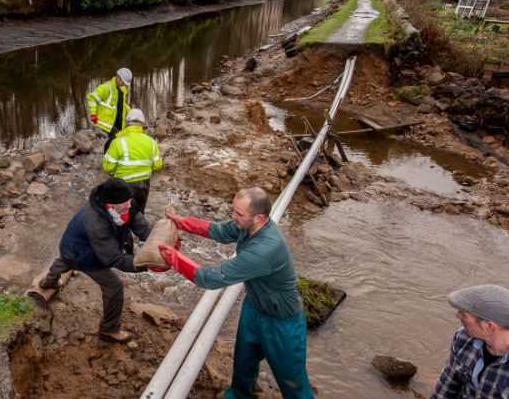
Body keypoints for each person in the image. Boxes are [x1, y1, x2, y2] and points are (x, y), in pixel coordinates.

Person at [156, 187, 315, 399]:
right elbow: (219, 230)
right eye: (233, 210)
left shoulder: (263, 250)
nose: (233, 216)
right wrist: (180, 222)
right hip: (254, 307)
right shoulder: (248, 226)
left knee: (291, 379)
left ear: (259, 217)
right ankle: (239, 395)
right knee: (244, 360)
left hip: (281, 321)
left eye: (238, 214)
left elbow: (211, 278)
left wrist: (174, 259)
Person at [38, 178, 159, 344]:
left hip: (74, 247)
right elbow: (112, 258)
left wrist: (160, 243)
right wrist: (145, 264)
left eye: (129, 201)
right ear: (111, 204)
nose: (129, 205)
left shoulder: (124, 203)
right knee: (113, 285)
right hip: (80, 252)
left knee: (64, 260)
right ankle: (109, 330)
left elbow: (144, 229)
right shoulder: (95, 221)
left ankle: (49, 281)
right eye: (124, 203)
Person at [102, 108, 162, 214]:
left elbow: (107, 168)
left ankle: (124, 230)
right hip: (144, 185)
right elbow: (157, 165)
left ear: (127, 122)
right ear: (142, 124)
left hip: (123, 185)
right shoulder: (152, 142)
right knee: (139, 213)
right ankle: (138, 230)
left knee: (122, 215)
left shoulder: (117, 142)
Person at [86, 67, 132, 152]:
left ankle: (114, 152)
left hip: (114, 119)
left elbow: (121, 104)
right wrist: (93, 113)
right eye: (123, 82)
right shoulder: (106, 88)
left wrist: (130, 111)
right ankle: (106, 154)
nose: (124, 84)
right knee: (115, 136)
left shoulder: (121, 89)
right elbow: (91, 97)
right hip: (105, 120)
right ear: (118, 78)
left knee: (121, 136)